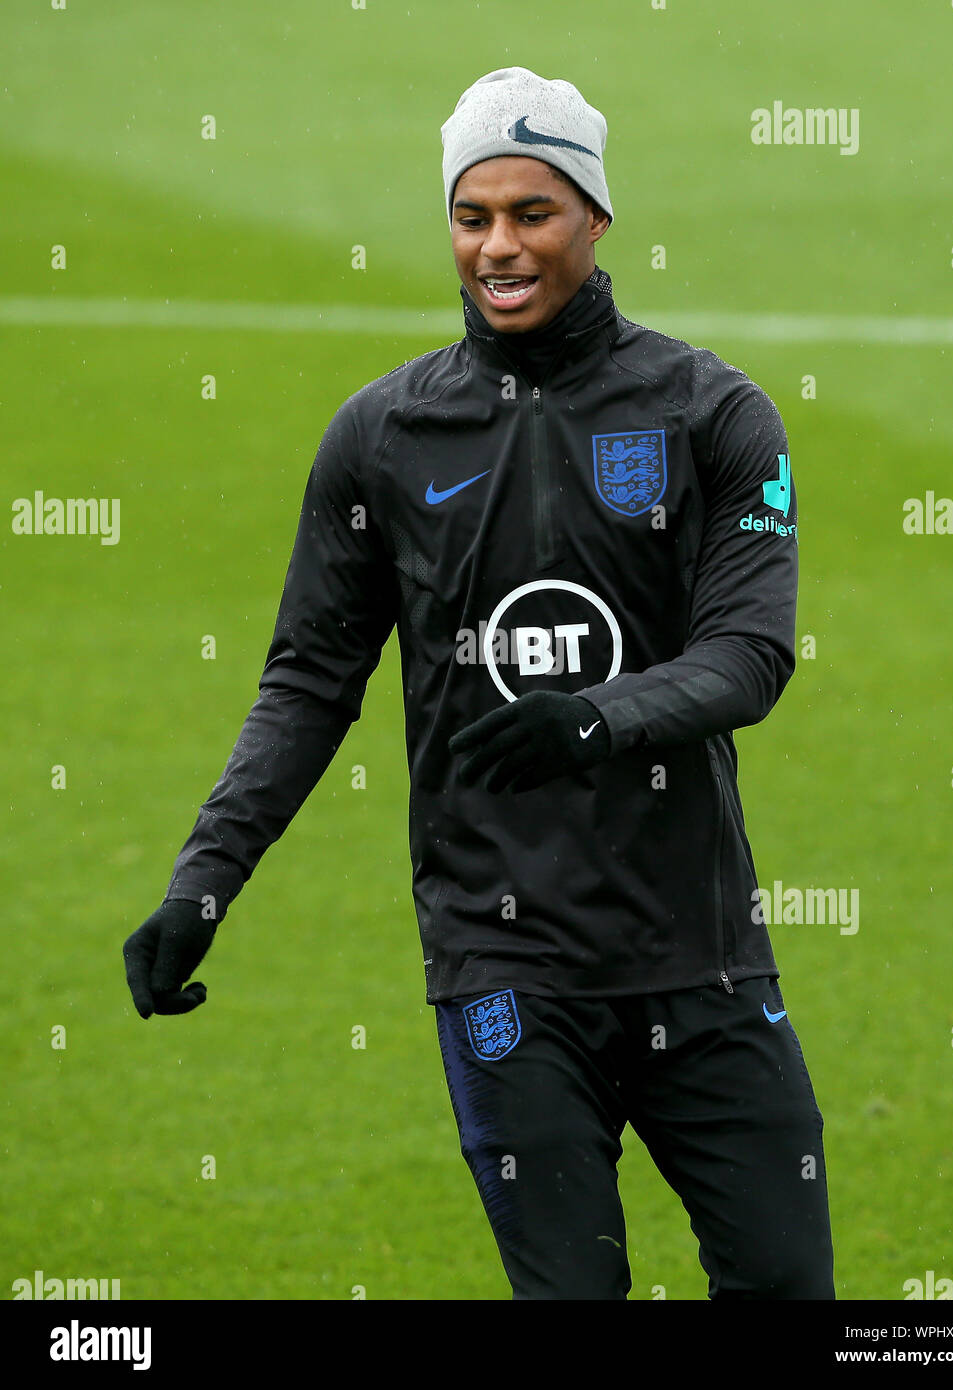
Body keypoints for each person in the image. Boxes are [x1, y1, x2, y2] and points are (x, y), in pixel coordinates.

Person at [124, 66, 834, 1301]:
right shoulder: (382, 438)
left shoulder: (715, 415)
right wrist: (206, 875)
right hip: (502, 972)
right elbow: (309, 680)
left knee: (791, 1293)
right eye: (472, 216)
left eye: (533, 213)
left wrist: (596, 719)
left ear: (597, 219)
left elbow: (750, 654)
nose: (498, 246)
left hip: (702, 955)